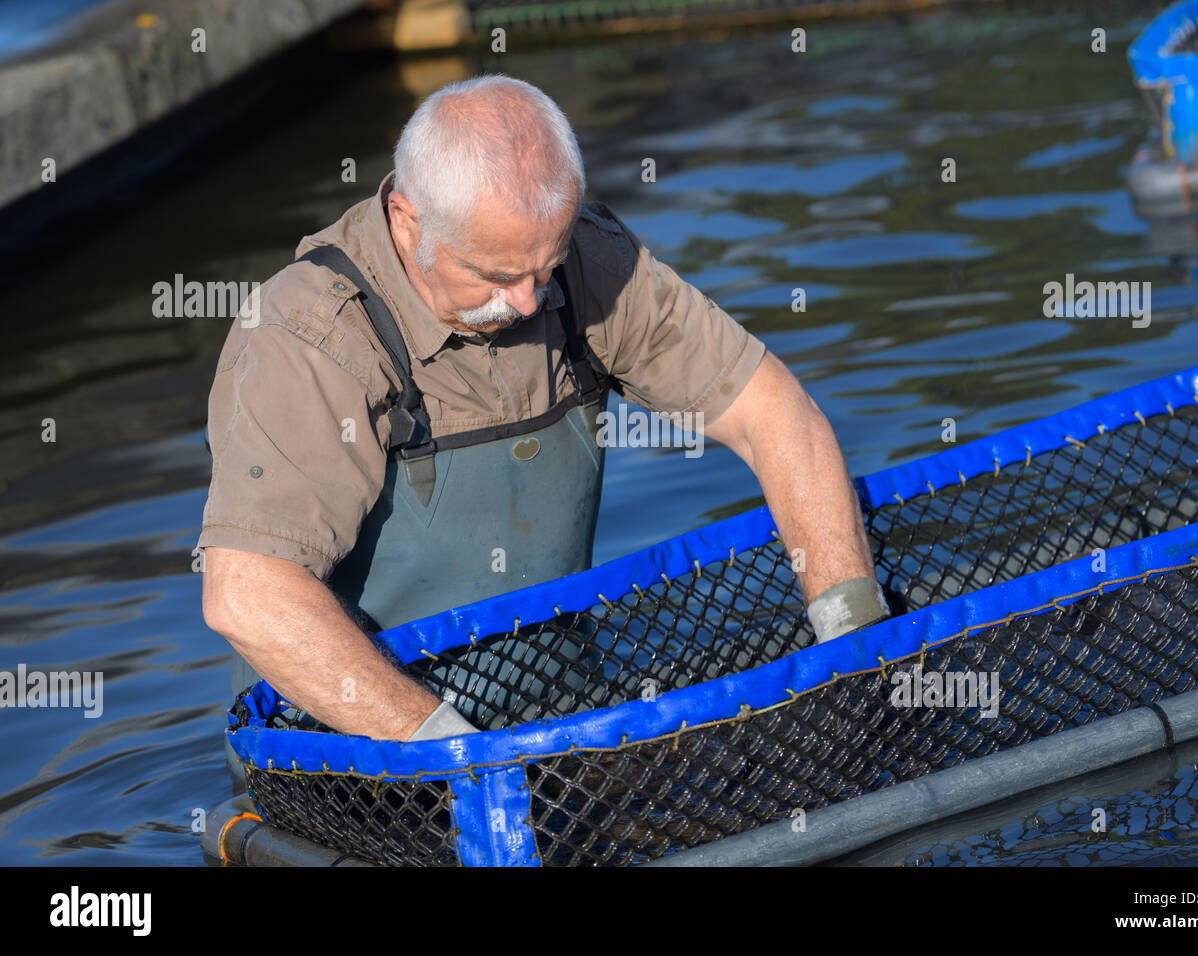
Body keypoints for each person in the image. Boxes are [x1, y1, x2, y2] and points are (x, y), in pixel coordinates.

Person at [199, 73, 887, 762]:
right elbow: (250, 594)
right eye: (495, 277)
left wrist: (853, 638)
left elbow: (774, 413)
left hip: (558, 725)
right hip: (356, 752)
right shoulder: (308, 334)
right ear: (408, 222)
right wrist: (459, 758)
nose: (529, 303)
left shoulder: (587, 260)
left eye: (545, 267)